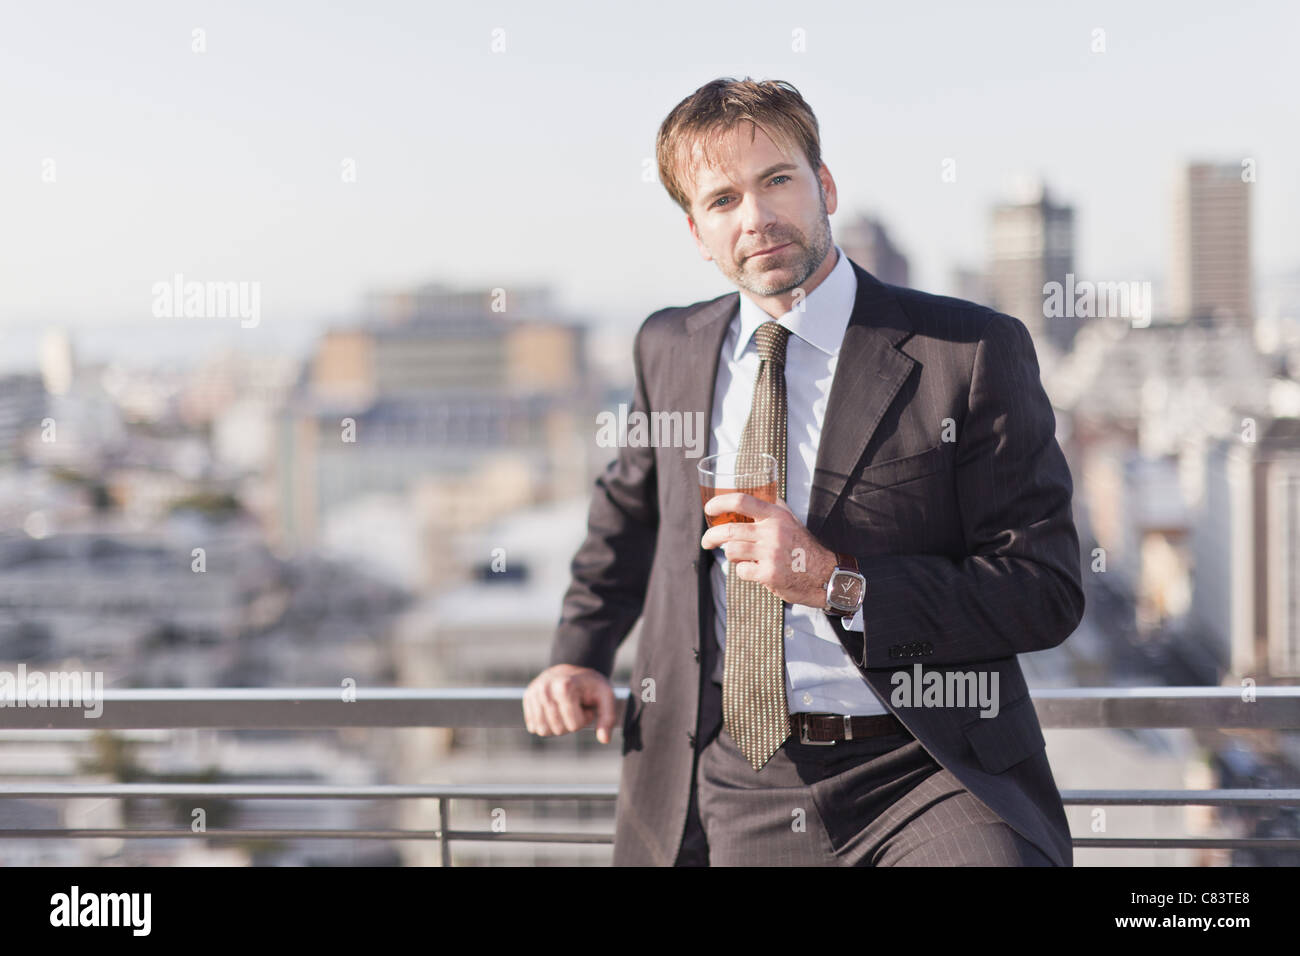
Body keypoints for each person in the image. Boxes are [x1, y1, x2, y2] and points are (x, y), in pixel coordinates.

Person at [523, 76, 1084, 866]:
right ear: (697, 231)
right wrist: (579, 651)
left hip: (926, 769)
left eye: (776, 181)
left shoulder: (968, 351)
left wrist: (834, 580)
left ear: (823, 187)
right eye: (722, 200)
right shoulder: (669, 349)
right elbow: (630, 517)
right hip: (739, 778)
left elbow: (1045, 590)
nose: (755, 219)